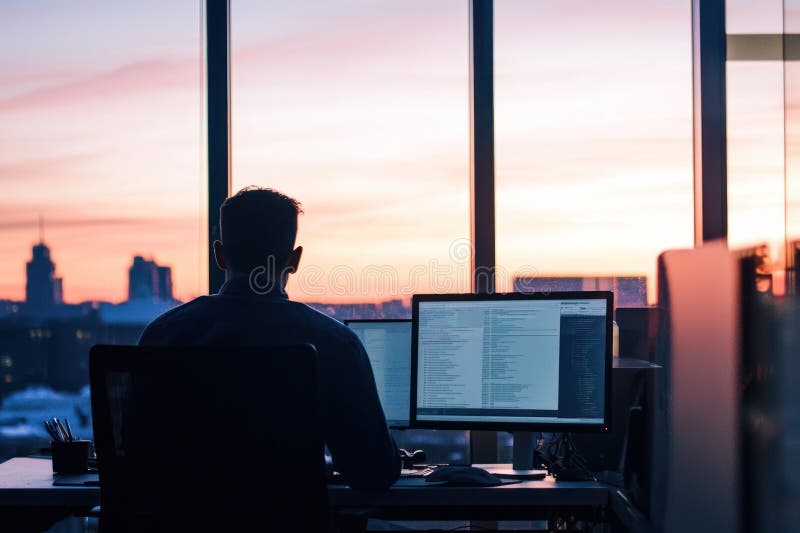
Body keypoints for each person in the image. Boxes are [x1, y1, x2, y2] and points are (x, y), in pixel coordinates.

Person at [138, 186, 400, 491]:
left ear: (220, 255)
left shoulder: (163, 335)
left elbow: (139, 452)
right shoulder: (334, 343)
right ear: (295, 260)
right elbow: (373, 471)